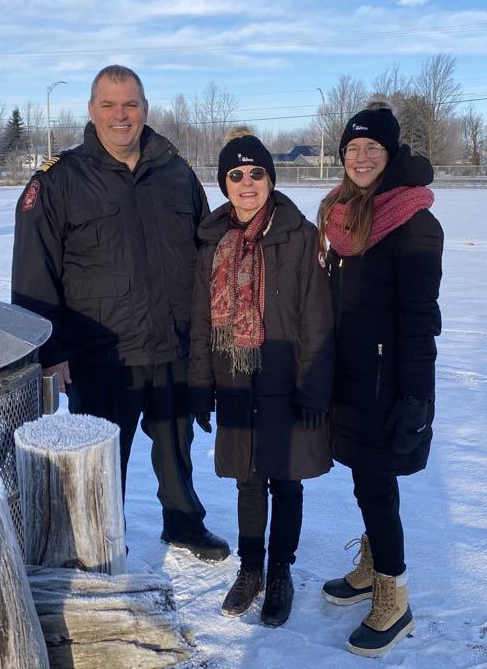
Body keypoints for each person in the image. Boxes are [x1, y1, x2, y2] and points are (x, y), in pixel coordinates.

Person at [11, 64, 229, 562]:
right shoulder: (61, 180)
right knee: (104, 460)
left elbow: (206, 256)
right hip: (101, 352)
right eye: (108, 105)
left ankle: (184, 523)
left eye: (130, 104)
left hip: (172, 342)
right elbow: (33, 272)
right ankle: (101, 539)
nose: (120, 115)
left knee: (175, 448)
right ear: (91, 112)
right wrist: (50, 352)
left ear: (145, 109)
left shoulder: (176, 173)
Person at [188, 129, 334, 627]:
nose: (246, 183)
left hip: (285, 379)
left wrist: (314, 387)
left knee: (285, 481)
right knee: (247, 481)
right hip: (233, 379)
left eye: (256, 173)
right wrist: (199, 387)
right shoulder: (211, 241)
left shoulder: (300, 234)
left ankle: (279, 573)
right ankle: (250, 570)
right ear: (224, 183)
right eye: (236, 175)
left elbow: (317, 316)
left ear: (270, 179)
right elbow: (202, 322)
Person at [316, 102, 442, 657]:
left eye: (371, 148)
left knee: (377, 485)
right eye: (352, 149)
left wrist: (414, 397)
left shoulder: (413, 223)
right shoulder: (346, 214)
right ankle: (371, 564)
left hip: (390, 381)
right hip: (352, 372)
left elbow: (420, 321)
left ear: (390, 156)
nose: (360, 157)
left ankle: (394, 595)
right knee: (363, 480)